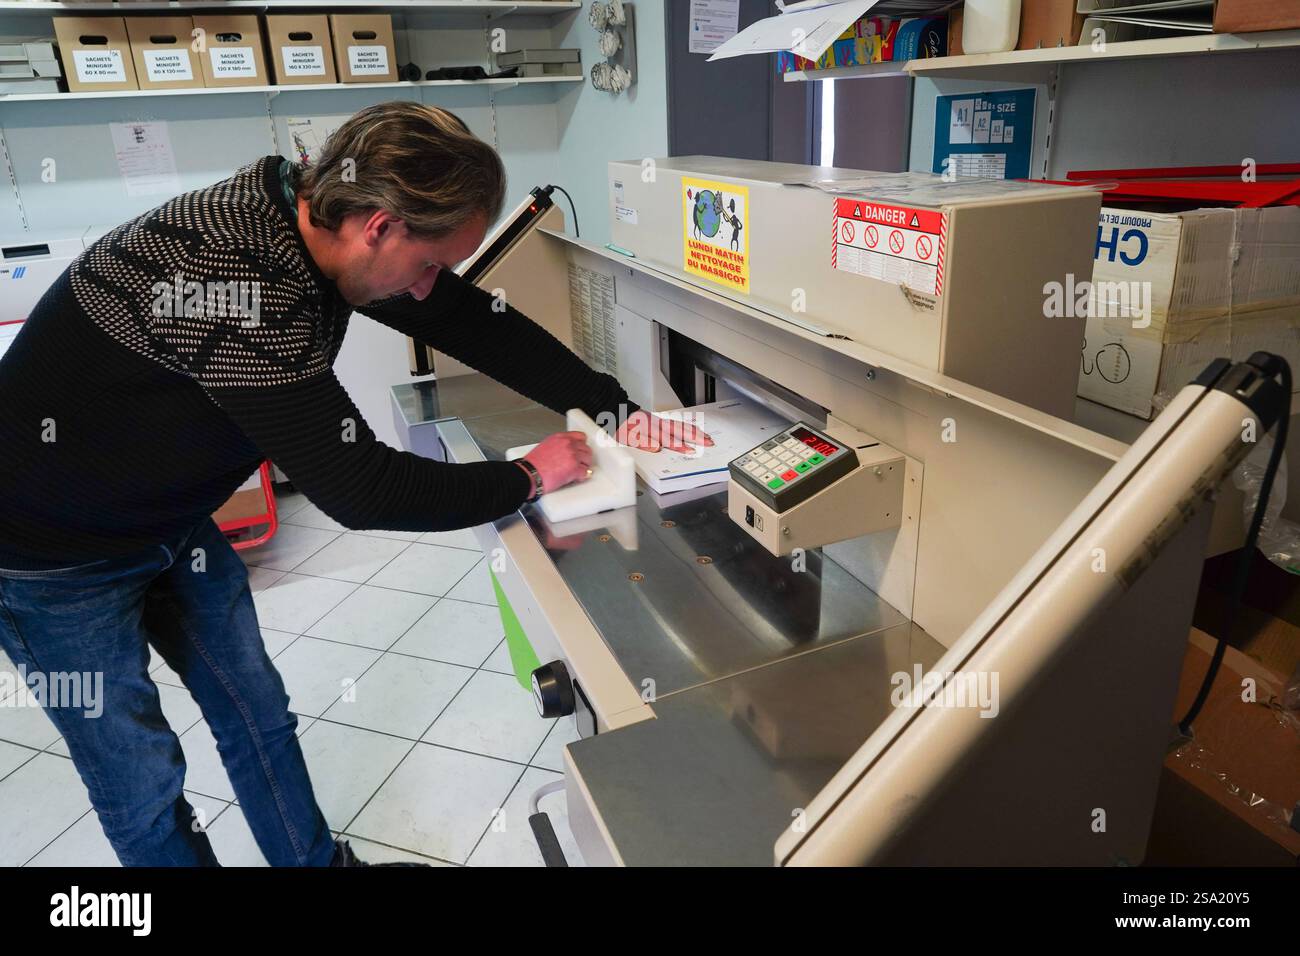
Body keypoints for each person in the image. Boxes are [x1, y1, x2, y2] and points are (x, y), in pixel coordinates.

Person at [0, 101, 710, 866]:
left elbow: (473, 321)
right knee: (139, 775)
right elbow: (360, 489)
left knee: (258, 713)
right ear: (380, 226)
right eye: (432, 262)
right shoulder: (236, 276)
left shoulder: (309, 209)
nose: (430, 284)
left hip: (170, 519)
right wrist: (529, 474)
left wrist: (614, 408)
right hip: (50, 552)